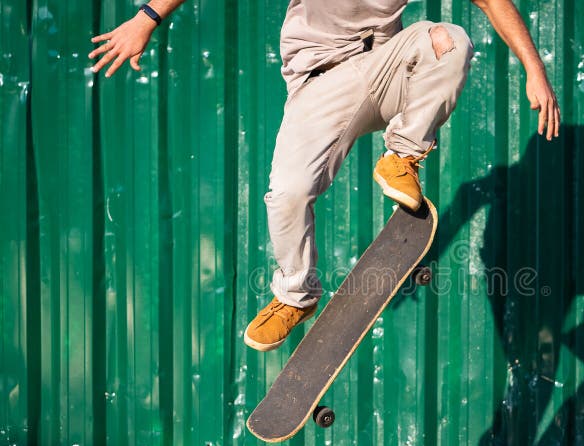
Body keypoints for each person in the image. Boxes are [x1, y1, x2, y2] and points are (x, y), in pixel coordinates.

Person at [89, 1, 560, 351]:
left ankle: (404, 156)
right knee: (288, 194)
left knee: (450, 40)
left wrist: (534, 69)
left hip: (388, 64)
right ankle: (295, 294)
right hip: (319, 81)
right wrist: (147, 17)